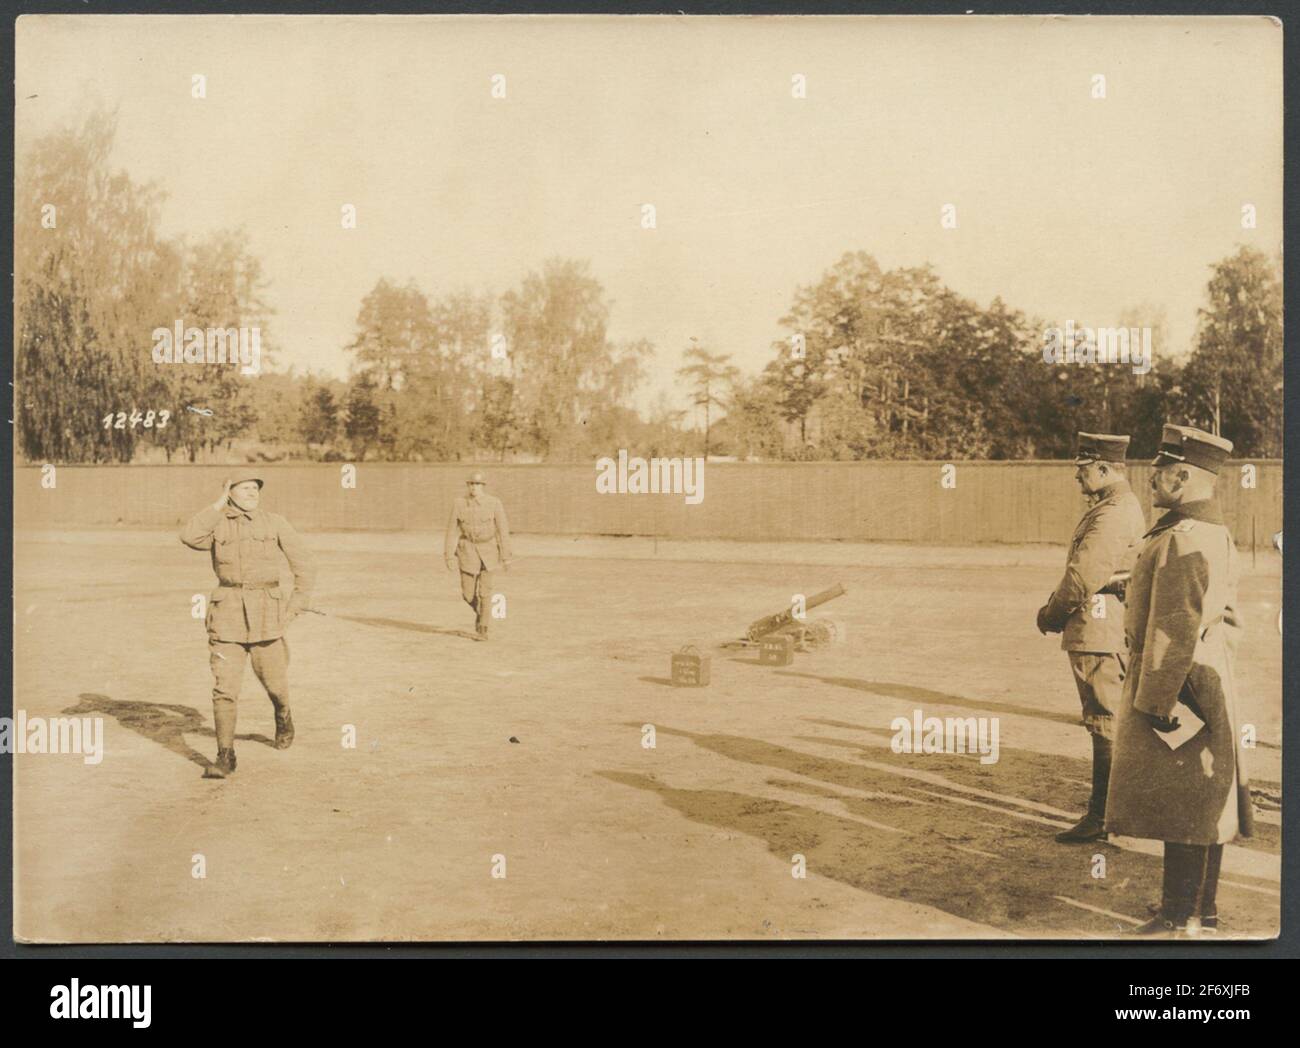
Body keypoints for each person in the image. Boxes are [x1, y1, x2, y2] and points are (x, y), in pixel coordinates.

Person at [1105, 424, 1252, 937]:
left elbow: (1173, 628)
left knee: (1185, 804)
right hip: (1208, 681)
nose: (1150, 477)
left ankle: (1179, 918)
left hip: (1179, 686)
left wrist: (1158, 701)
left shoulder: (1181, 538)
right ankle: (1199, 914)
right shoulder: (1211, 532)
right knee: (1201, 803)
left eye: (1160, 470)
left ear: (1183, 475)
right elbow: (1221, 618)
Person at [1036, 433, 1146, 843]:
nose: (1077, 477)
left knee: (1104, 722)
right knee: (1108, 721)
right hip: (1102, 625)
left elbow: (1083, 576)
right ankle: (1111, 813)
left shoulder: (1113, 512)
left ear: (1104, 469)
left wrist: (1050, 614)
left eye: (1083, 469)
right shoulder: (1114, 507)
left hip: (1099, 631)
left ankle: (1102, 817)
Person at [181, 471, 316, 778]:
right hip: (227, 613)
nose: (252, 493)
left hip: (268, 615)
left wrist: (295, 606)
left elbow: (305, 565)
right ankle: (225, 755)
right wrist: (216, 505)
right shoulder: (218, 523)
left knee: (275, 683)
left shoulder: (275, 523)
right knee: (224, 688)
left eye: (255, 488)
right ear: (229, 492)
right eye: (243, 488)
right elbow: (189, 535)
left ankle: (283, 713)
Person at [444, 471, 512, 640]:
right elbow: (452, 530)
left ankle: (483, 628)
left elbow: (503, 530)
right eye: (471, 484)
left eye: (477, 484)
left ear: (483, 486)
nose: (474, 487)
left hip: (488, 550)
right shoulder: (459, 503)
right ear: (468, 486)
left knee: (485, 593)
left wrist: (506, 556)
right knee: (467, 594)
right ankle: (480, 612)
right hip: (467, 551)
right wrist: (449, 556)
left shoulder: (494, 503)